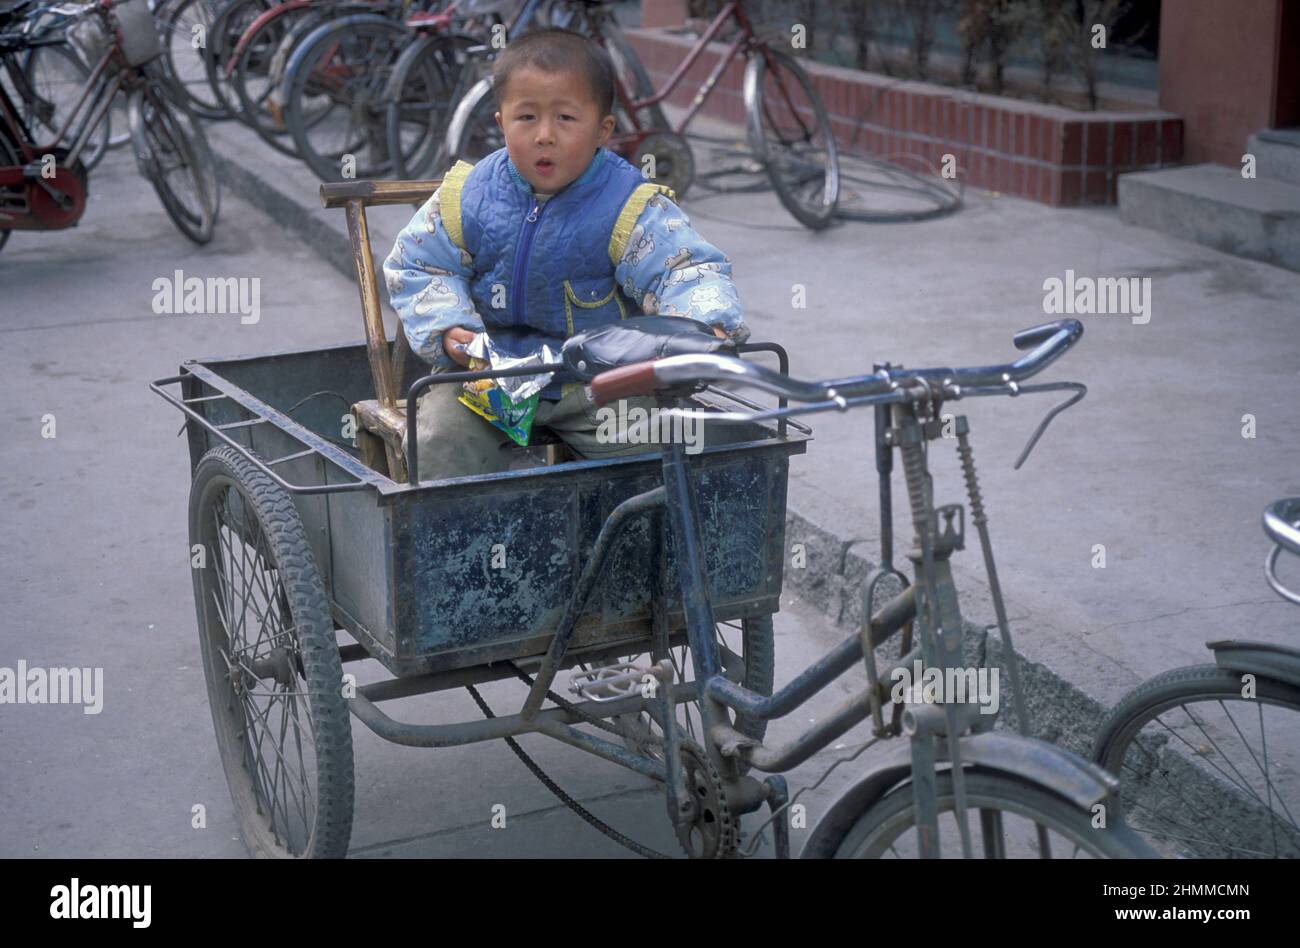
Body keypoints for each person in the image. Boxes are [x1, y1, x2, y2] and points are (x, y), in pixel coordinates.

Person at [383, 26, 748, 479]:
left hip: (599, 387)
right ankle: (470, 547)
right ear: (501, 124)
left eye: (566, 119)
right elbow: (419, 263)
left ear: (603, 129)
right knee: (437, 438)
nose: (544, 136)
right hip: (484, 381)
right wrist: (446, 326)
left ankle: (624, 542)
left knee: (671, 449)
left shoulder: (628, 206)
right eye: (527, 118)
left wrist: (704, 325)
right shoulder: (468, 195)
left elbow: (685, 269)